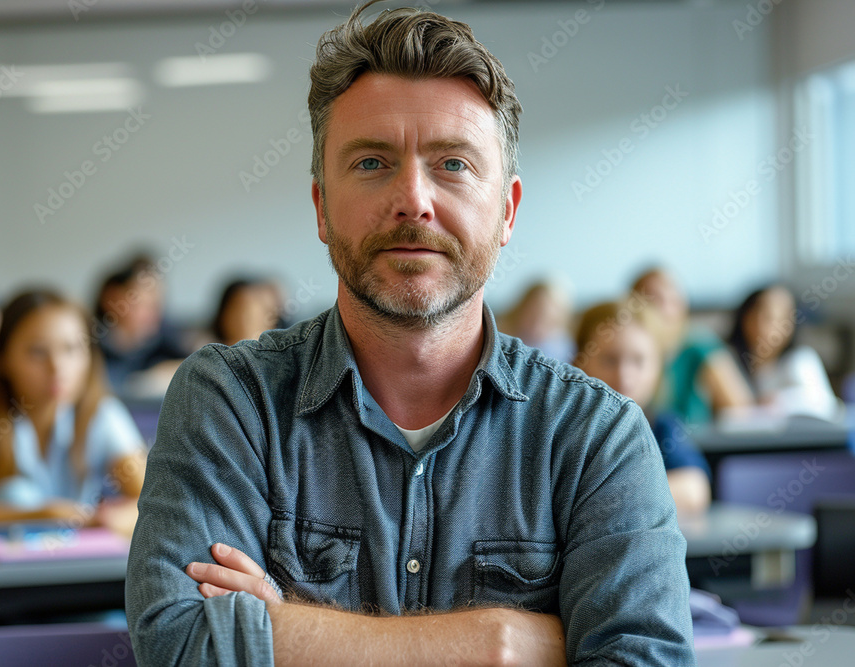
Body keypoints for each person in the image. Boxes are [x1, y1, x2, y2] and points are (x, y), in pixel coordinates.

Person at [126, 3, 695, 665]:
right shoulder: (229, 400)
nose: (414, 200)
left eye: (453, 164)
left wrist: (284, 634)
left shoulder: (596, 433)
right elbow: (181, 644)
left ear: (506, 211)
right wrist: (501, 642)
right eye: (371, 163)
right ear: (321, 206)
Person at [0, 289, 146, 540]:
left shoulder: (103, 414)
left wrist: (107, 520)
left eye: (71, 349)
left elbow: (154, 503)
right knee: (16, 494)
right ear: (2, 358)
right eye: (37, 351)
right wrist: (43, 516)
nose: (57, 367)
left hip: (72, 567)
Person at [574, 300, 712, 515]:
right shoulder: (564, 427)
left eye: (639, 361)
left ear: (658, 368)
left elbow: (694, 490)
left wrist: (611, 497)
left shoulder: (661, 425)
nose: (624, 377)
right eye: (609, 360)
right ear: (579, 361)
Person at [631, 267, 753, 424]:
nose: (658, 309)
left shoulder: (702, 347)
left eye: (666, 300)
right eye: (648, 301)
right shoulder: (626, 355)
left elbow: (741, 412)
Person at [727, 285, 840, 421]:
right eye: (756, 315)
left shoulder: (800, 360)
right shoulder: (729, 361)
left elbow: (823, 404)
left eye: (772, 317)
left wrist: (777, 402)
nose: (761, 325)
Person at [93, 254, 189, 395]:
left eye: (157, 303)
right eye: (143, 303)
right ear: (112, 298)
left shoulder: (166, 342)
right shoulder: (90, 347)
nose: (154, 313)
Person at [497, 279, 574, 362]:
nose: (536, 325)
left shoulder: (563, 350)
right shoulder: (499, 334)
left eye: (546, 320)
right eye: (532, 313)